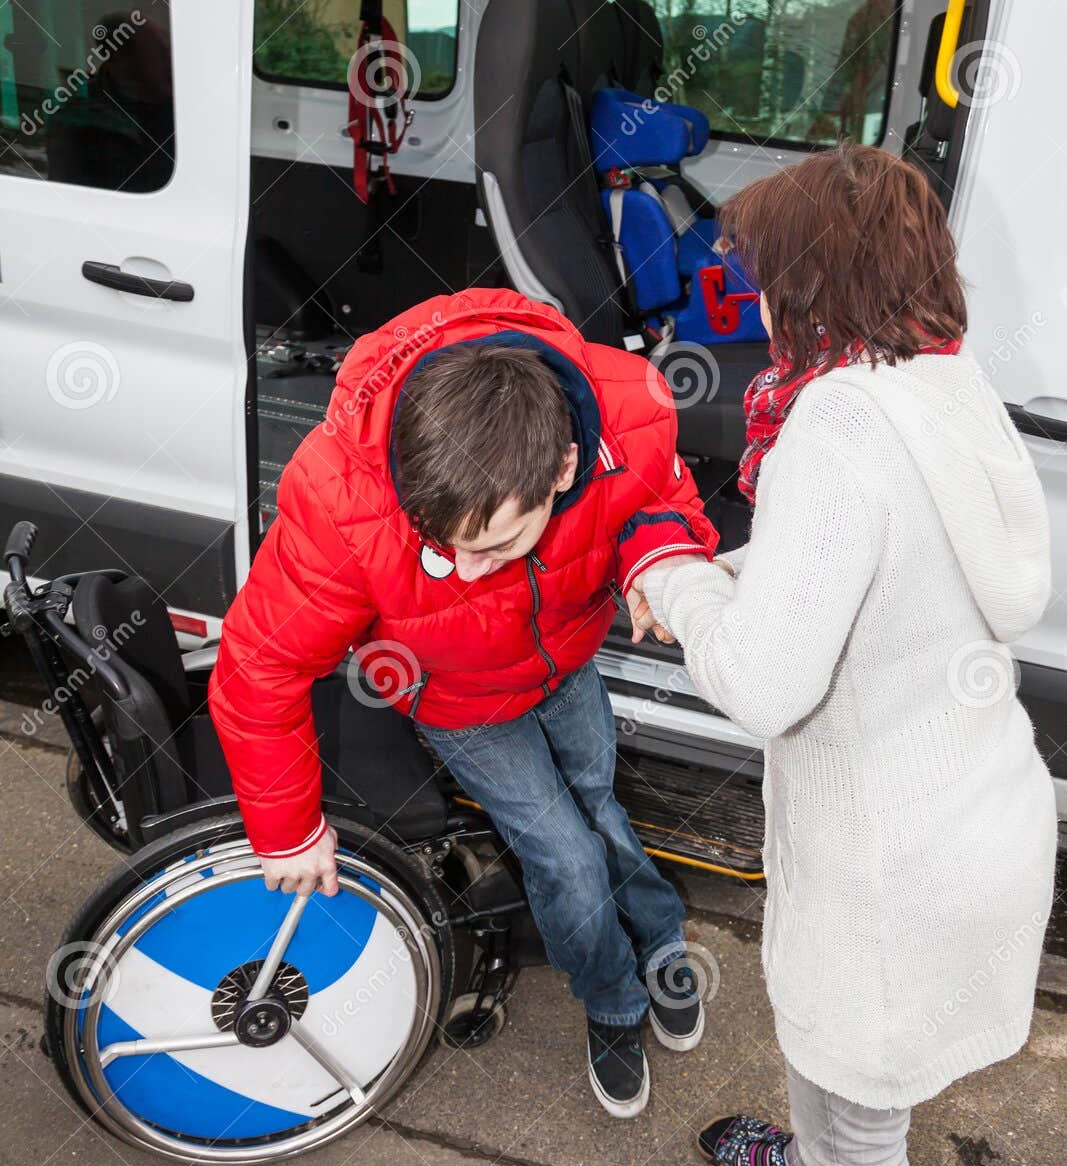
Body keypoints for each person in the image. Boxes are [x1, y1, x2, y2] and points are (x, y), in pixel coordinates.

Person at [635, 145, 1056, 1166]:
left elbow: (763, 683)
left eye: (764, 275)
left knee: (863, 1151)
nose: (751, 300)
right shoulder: (938, 385)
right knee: (866, 1105)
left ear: (810, 282)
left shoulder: (830, 427)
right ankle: (824, 1163)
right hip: (979, 825)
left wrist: (671, 576)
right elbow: (861, 563)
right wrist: (722, 570)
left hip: (888, 875)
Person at [209, 289, 719, 1119]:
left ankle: (660, 943)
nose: (471, 570)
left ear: (562, 465)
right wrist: (289, 832)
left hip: (566, 662)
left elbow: (661, 500)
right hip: (458, 699)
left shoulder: (632, 408)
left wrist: (661, 560)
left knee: (600, 809)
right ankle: (614, 1002)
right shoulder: (342, 495)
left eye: (496, 545)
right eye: (446, 547)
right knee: (564, 854)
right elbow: (257, 667)